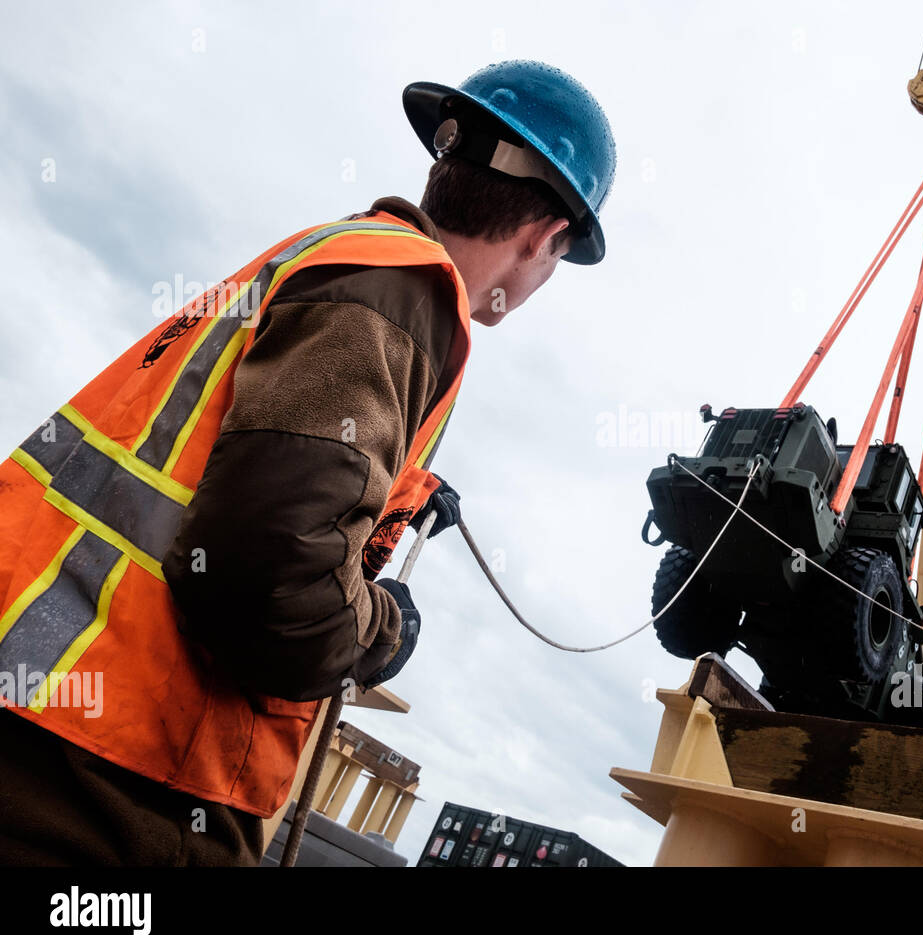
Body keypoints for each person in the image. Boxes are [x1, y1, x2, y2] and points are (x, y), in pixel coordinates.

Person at [0, 60, 616, 865]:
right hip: (112, 782)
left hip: (47, 722)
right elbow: (265, 569)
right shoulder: (400, 292)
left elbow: (233, 473)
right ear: (546, 238)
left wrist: (395, 501)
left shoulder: (334, 257)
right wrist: (383, 630)